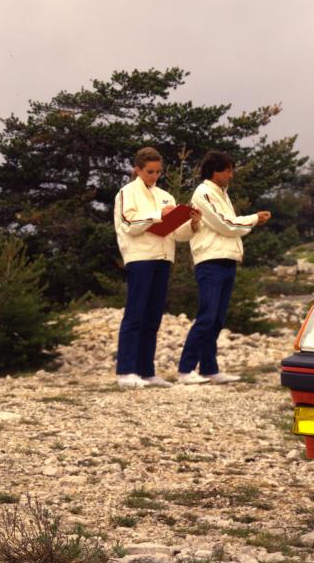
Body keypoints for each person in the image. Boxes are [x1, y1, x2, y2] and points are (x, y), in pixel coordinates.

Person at [177, 151, 271, 384]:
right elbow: (224, 225)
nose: (231, 175)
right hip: (210, 261)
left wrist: (247, 223)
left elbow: (230, 226)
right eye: (227, 170)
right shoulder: (203, 192)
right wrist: (253, 219)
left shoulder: (222, 194)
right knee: (206, 316)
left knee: (217, 319)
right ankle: (185, 370)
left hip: (226, 259)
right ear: (214, 171)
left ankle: (209, 368)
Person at [113, 147, 202, 388]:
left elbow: (177, 233)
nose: (154, 176)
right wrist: (157, 215)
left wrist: (192, 224)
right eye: (149, 172)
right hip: (140, 257)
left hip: (163, 258)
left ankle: (146, 372)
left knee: (153, 316)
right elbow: (129, 224)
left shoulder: (166, 196)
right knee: (135, 314)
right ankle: (126, 372)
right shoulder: (127, 193)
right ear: (137, 169)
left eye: (157, 172)